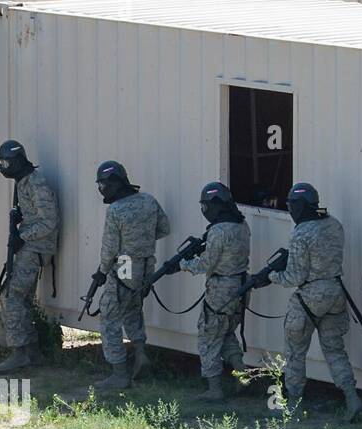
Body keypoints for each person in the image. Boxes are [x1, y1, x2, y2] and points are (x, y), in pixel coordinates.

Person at [271, 182, 362, 421]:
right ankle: (352, 398)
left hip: (309, 297)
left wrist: (271, 276)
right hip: (335, 292)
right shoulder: (333, 224)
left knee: (295, 351)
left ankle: (292, 404)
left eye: (292, 205)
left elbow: (294, 277)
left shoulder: (301, 232)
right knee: (335, 350)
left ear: (300, 206)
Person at [93, 160, 170, 391]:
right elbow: (164, 228)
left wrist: (102, 271)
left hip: (124, 266)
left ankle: (119, 374)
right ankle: (140, 354)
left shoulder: (115, 210)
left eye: (103, 184)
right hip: (146, 265)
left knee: (109, 317)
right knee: (133, 311)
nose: (101, 189)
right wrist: (141, 243)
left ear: (114, 183)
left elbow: (109, 249)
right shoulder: (148, 201)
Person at [0, 140, 60, 375]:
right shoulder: (23, 181)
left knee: (11, 295)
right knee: (19, 297)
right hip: (30, 245)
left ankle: (20, 352)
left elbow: (49, 221)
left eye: (6, 163)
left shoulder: (35, 183)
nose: (2, 167)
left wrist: (23, 237)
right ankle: (31, 352)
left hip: (36, 246)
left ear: (18, 161)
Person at [181, 181, 249, 401]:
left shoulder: (218, 230)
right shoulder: (241, 225)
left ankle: (214, 389)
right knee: (226, 332)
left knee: (208, 336)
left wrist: (184, 264)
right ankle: (242, 374)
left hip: (221, 290)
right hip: (241, 287)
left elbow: (206, 264)